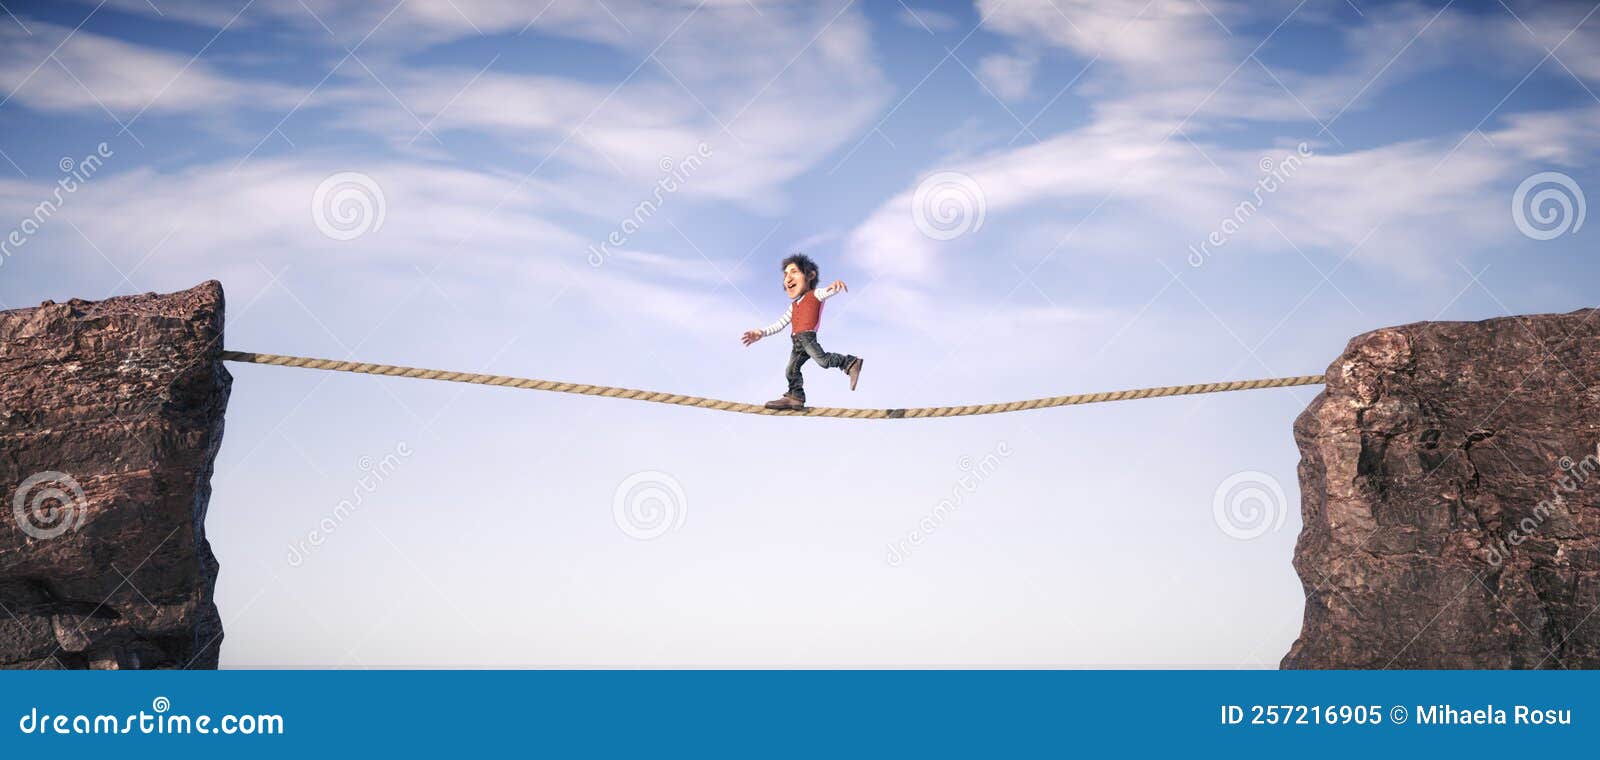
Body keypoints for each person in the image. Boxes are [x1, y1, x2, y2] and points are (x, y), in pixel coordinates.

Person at [741, 253, 863, 410]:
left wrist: (835, 287)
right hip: (797, 342)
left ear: (810, 275)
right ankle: (795, 397)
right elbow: (779, 324)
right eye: (785, 275)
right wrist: (761, 332)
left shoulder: (815, 294)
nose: (787, 278)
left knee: (824, 361)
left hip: (807, 338)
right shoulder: (793, 307)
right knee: (790, 370)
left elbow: (827, 291)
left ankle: (850, 362)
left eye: (794, 272)